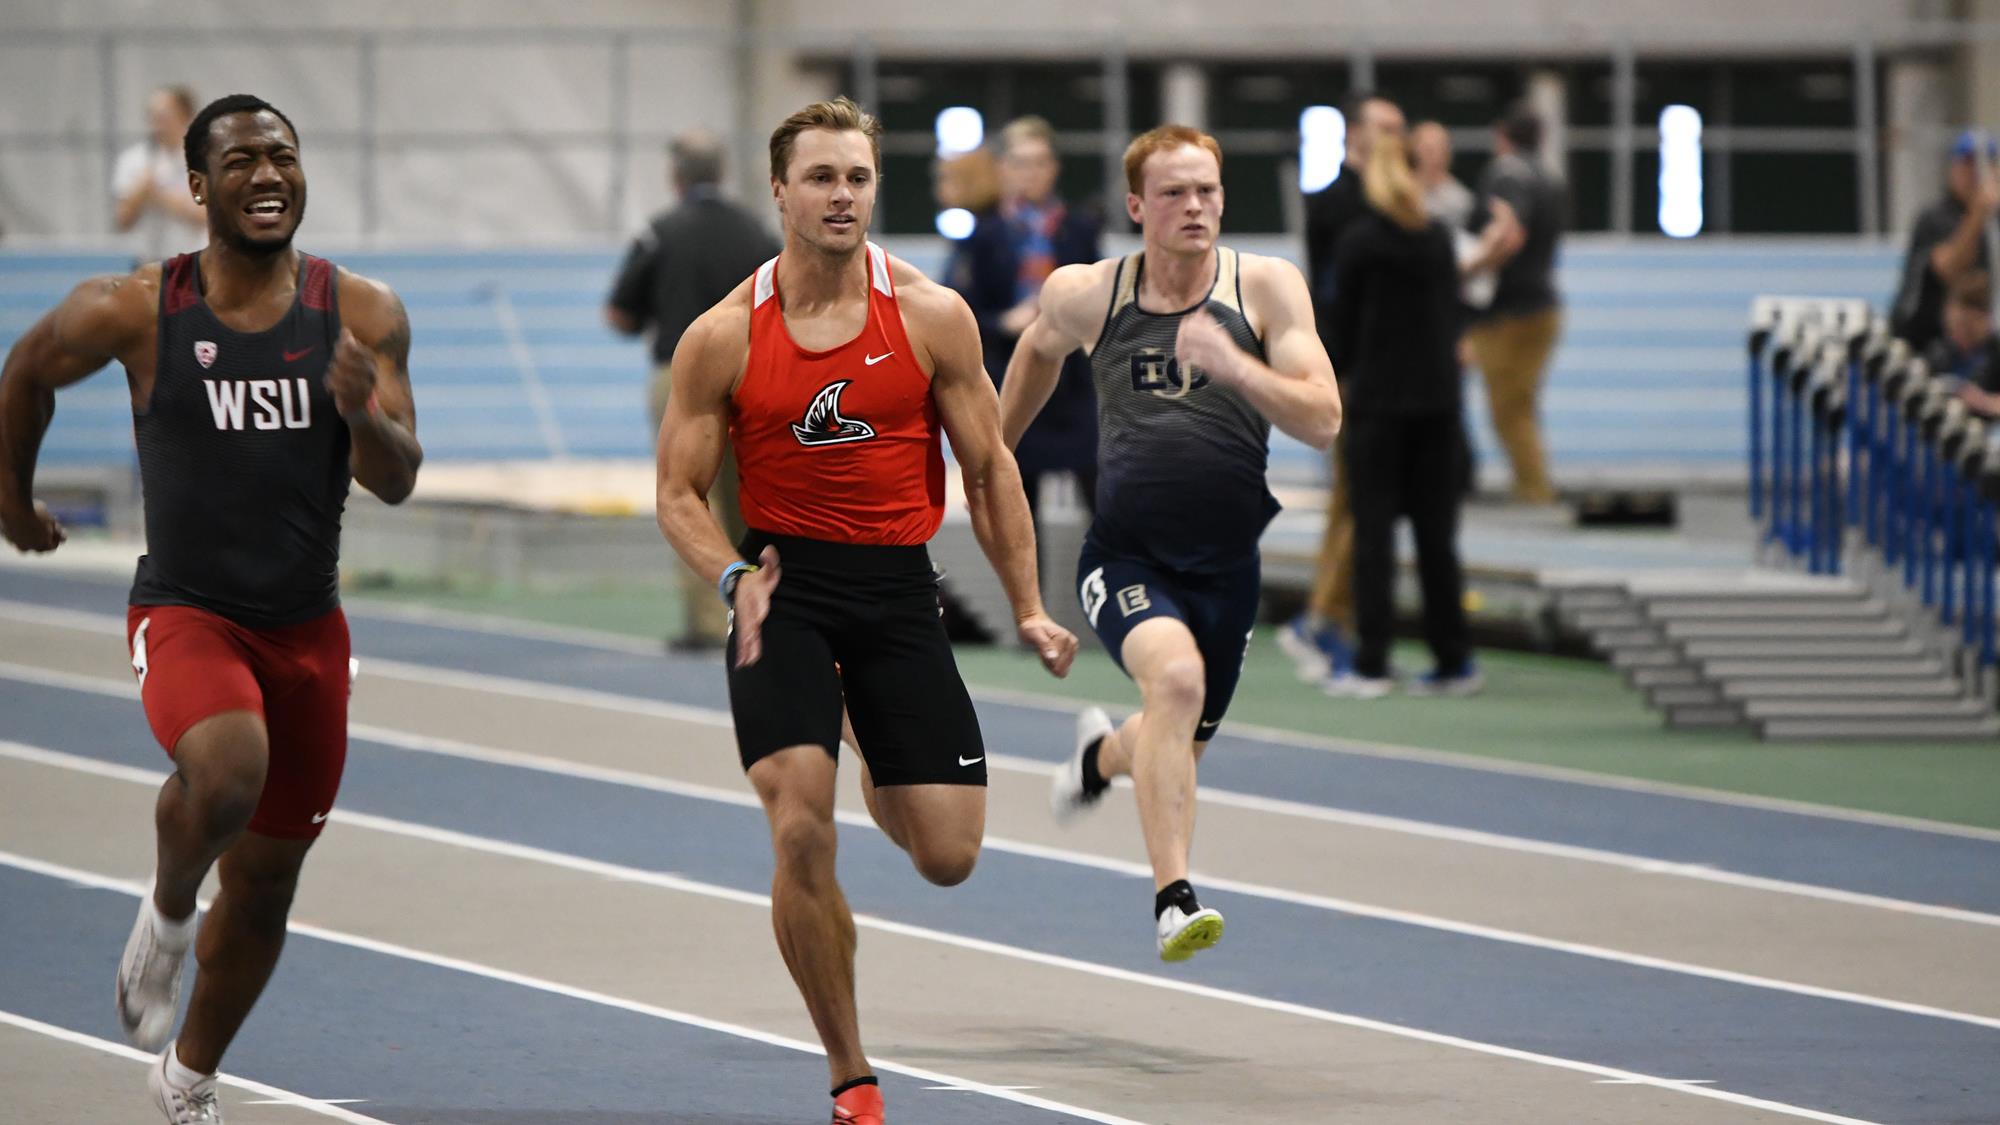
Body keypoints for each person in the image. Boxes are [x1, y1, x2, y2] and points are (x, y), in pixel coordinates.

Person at [653, 96, 1077, 1125]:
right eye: (820, 178)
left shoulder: (930, 315)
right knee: (802, 828)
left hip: (894, 592)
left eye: (855, 177)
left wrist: (1026, 603)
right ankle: (852, 1075)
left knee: (946, 855)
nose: (840, 195)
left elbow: (988, 470)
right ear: (779, 191)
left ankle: (855, 714)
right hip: (781, 594)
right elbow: (676, 494)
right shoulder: (722, 337)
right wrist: (728, 577)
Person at [0, 94, 422, 1124]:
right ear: (197, 188)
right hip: (188, 612)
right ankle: (169, 910)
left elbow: (399, 478)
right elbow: (24, 373)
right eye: (240, 163)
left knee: (272, 884)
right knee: (229, 770)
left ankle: (187, 1078)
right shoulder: (137, 308)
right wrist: (10, 502)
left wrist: (362, 409)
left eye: (282, 157)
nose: (267, 175)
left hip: (308, 632)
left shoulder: (359, 313)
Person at [1002, 124, 1339, 962]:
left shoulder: (1265, 288)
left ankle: (1097, 756)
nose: (1195, 207)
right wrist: (990, 453)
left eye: (1208, 191)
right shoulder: (1093, 293)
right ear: (1135, 206)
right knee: (1176, 682)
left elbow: (1325, 420)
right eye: (1175, 193)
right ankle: (1173, 897)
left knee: (1171, 732)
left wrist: (1235, 367)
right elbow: (1037, 348)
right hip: (1125, 557)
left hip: (1228, 569)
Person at [607, 128, 780, 650]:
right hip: (756, 376)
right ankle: (770, 607)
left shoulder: (660, 232)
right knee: (750, 501)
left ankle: (711, 624)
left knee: (688, 497)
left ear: (675, 177)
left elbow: (619, 314)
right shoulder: (758, 233)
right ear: (721, 172)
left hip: (682, 378)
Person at [1323, 134, 1479, 699]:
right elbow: (1454, 314)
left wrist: (1334, 381)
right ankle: (1454, 660)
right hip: (1438, 406)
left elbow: (1342, 325)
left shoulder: (1359, 243)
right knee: (1437, 539)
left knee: (1374, 539)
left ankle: (1372, 663)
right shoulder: (1437, 239)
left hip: (1379, 407)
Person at [1285, 92, 1405, 685]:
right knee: (1356, 497)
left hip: (1391, 368)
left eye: (1399, 130)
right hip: (1354, 365)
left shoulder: (1393, 199)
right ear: (1356, 133)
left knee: (1361, 501)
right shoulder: (1338, 201)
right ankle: (1323, 616)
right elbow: (1334, 293)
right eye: (1384, 129)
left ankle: (1336, 614)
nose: (1394, 140)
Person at [947, 116, 1102, 536]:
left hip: (1072, 383)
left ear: (1053, 168)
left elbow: (1098, 293)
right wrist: (1004, 322)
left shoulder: (1079, 229)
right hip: (1010, 377)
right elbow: (955, 312)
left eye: (1039, 162)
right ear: (1003, 169)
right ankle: (1029, 602)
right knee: (1019, 513)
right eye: (1020, 163)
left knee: (1103, 504)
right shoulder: (982, 236)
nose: (1030, 173)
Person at [1464, 103, 1565, 506]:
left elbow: (1509, 232)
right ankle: (1531, 482)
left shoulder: (1509, 174)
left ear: (1501, 134)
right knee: (1519, 403)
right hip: (1542, 304)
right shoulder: (1550, 177)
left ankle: (1535, 489)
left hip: (1509, 311)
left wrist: (1472, 268)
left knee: (1509, 408)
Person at [1893, 130, 2000, 356]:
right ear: (1953, 167)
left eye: (1983, 166)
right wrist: (1978, 213)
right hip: (1926, 344)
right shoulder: (1935, 218)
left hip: (1981, 351)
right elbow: (1948, 269)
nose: (1975, 174)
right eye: (1967, 164)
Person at [114, 85, 208, 263]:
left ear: (185, 116)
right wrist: (140, 192)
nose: (157, 125)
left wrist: (160, 196)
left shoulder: (203, 159)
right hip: (148, 261)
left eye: (164, 117)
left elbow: (207, 216)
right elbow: (122, 220)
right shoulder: (134, 159)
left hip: (192, 260)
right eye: (153, 117)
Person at [1925, 270, 2000, 418]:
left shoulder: (1995, 355)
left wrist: (1983, 401)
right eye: (1954, 328)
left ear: (1985, 319)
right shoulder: (1938, 353)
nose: (1959, 336)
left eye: (1966, 328)